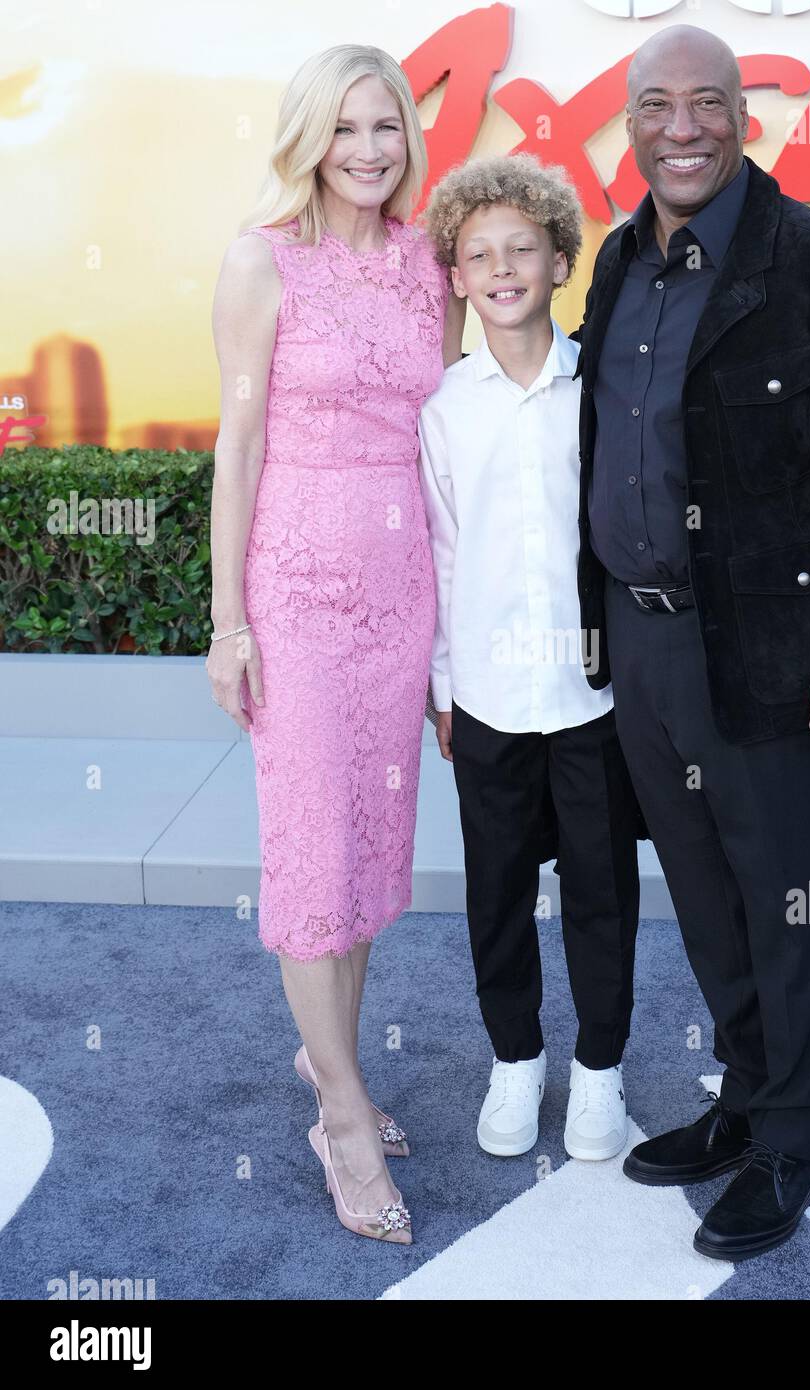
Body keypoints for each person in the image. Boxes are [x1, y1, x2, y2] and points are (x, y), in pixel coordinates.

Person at [571, 25, 810, 1258]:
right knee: (708, 895)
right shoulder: (617, 263)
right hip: (642, 640)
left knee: (784, 895)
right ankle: (742, 1093)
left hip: (772, 647)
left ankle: (789, 1139)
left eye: (706, 102)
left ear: (742, 117)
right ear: (629, 124)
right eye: (656, 105)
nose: (681, 127)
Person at [206, 43, 465, 1245]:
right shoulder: (261, 262)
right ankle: (346, 1114)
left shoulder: (431, 262)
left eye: (387, 130)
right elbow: (240, 449)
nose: (368, 152)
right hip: (297, 594)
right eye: (347, 129)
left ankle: (332, 1064)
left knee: (366, 852)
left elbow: (455, 435)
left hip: (401, 585)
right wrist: (227, 621)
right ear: (307, 135)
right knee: (312, 850)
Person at [417, 153, 643, 1163]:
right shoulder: (444, 409)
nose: (501, 267)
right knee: (497, 886)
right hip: (491, 695)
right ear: (456, 277)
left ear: (559, 259)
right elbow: (440, 548)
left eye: (521, 248)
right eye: (477, 254)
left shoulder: (604, 384)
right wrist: (444, 687)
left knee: (600, 886)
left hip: (592, 693)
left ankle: (599, 1067)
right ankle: (516, 1057)